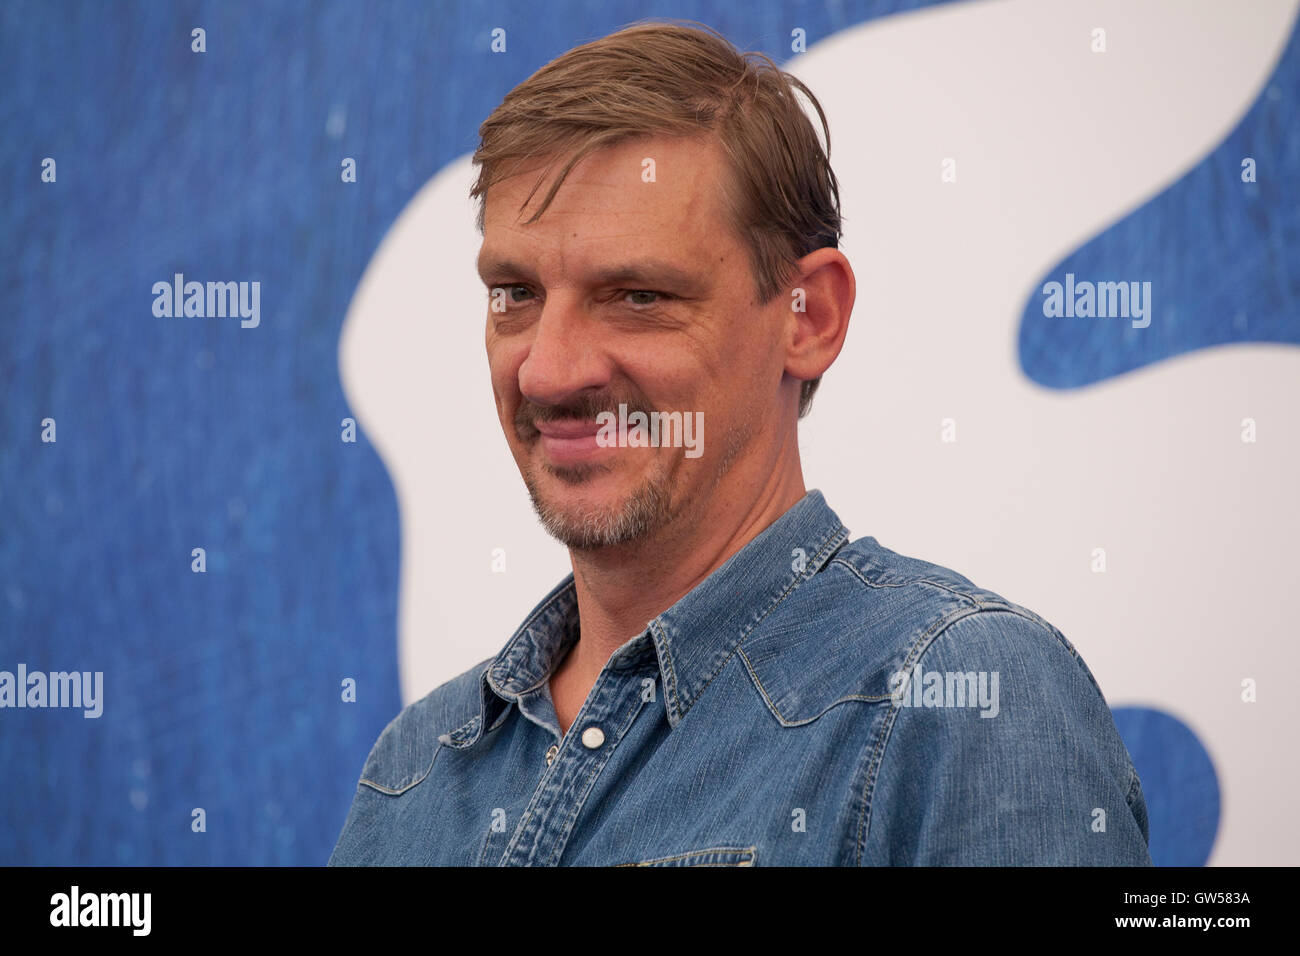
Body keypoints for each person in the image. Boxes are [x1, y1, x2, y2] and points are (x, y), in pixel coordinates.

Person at [328, 19, 1151, 866]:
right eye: (515, 293)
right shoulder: (416, 771)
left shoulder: (958, 700)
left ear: (811, 317)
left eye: (638, 295)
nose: (547, 372)